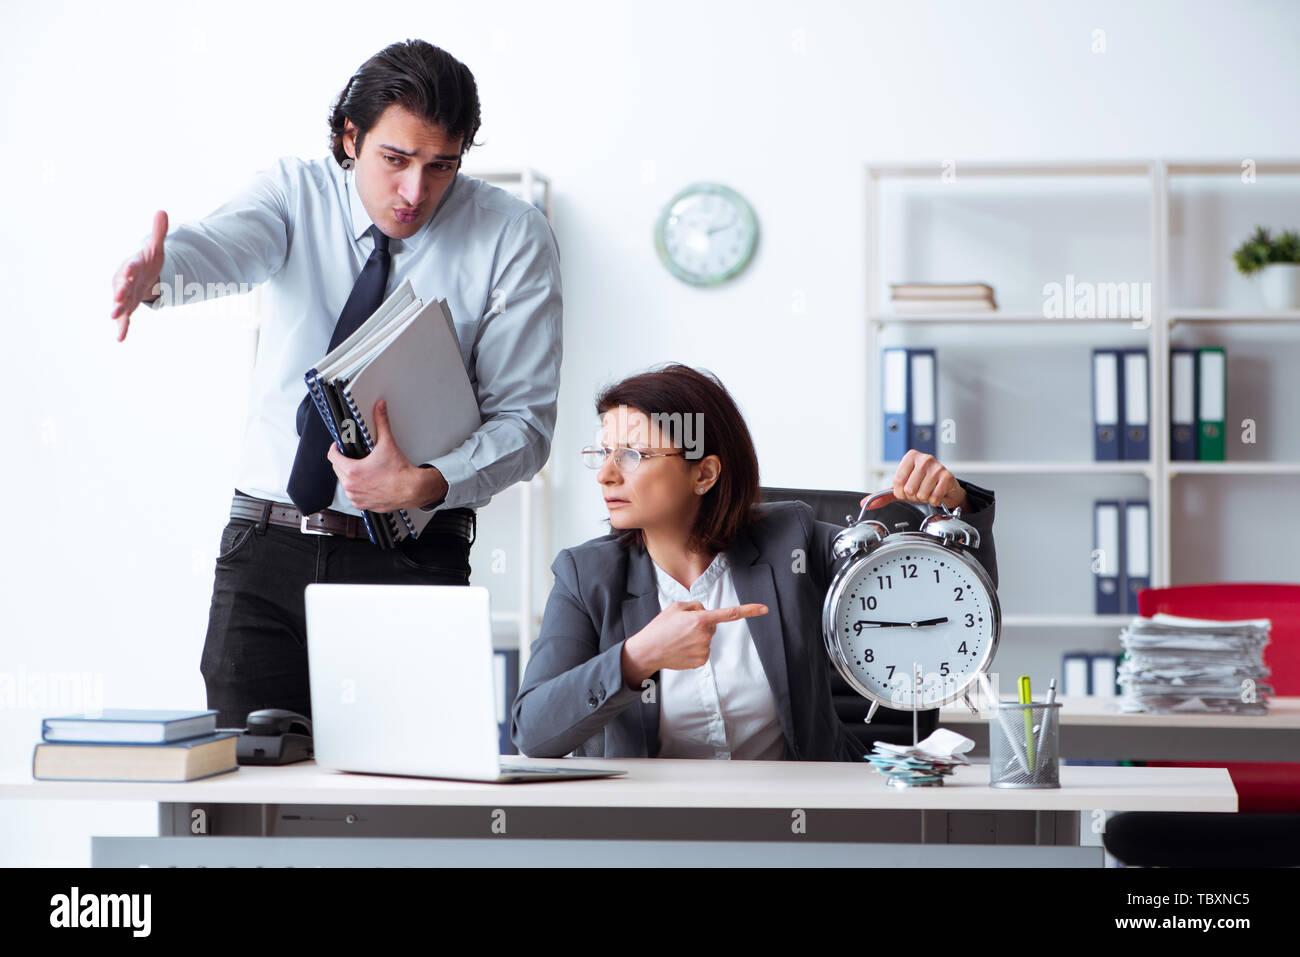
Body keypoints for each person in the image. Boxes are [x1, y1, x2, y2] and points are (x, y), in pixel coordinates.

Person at [108, 40, 562, 728]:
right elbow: (226, 244)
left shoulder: (513, 237)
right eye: (395, 160)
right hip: (265, 553)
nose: (416, 192)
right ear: (350, 137)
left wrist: (428, 482)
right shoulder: (296, 193)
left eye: (443, 166)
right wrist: (162, 272)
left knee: (409, 809)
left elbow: (524, 425)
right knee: (248, 795)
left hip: (412, 558)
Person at [510, 363, 996, 761]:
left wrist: (955, 506)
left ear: (704, 473)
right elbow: (532, 732)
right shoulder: (585, 575)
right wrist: (638, 657)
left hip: (803, 824)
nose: (607, 475)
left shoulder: (792, 543)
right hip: (654, 832)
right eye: (602, 453)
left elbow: (950, 600)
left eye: (634, 454)